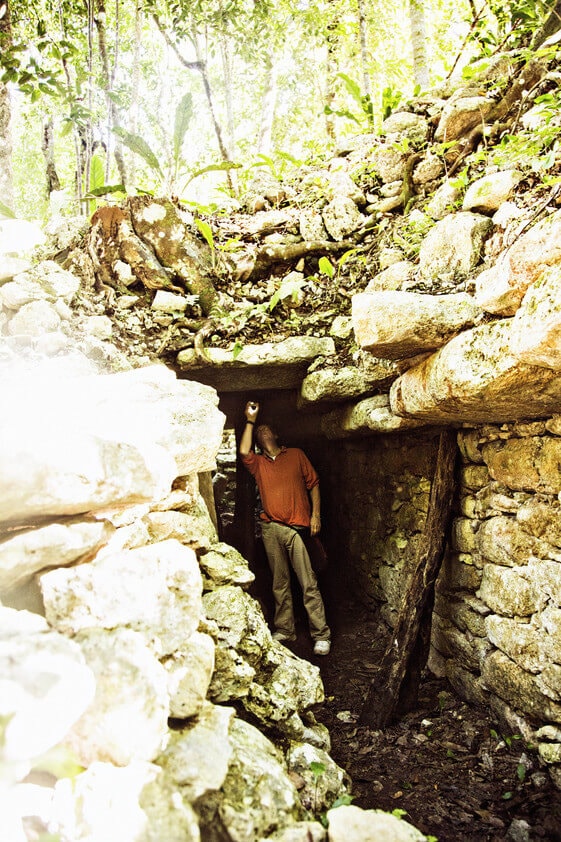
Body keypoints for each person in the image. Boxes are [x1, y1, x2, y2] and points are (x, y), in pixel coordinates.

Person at [239, 400, 331, 656]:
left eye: (267, 429)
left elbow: (314, 483)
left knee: (308, 582)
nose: (263, 433)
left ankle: (321, 634)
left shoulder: (297, 455)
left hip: (298, 528)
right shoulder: (258, 463)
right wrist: (250, 420)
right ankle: (286, 629)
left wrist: (316, 515)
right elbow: (244, 451)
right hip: (271, 528)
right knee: (280, 582)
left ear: (277, 434)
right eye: (260, 432)